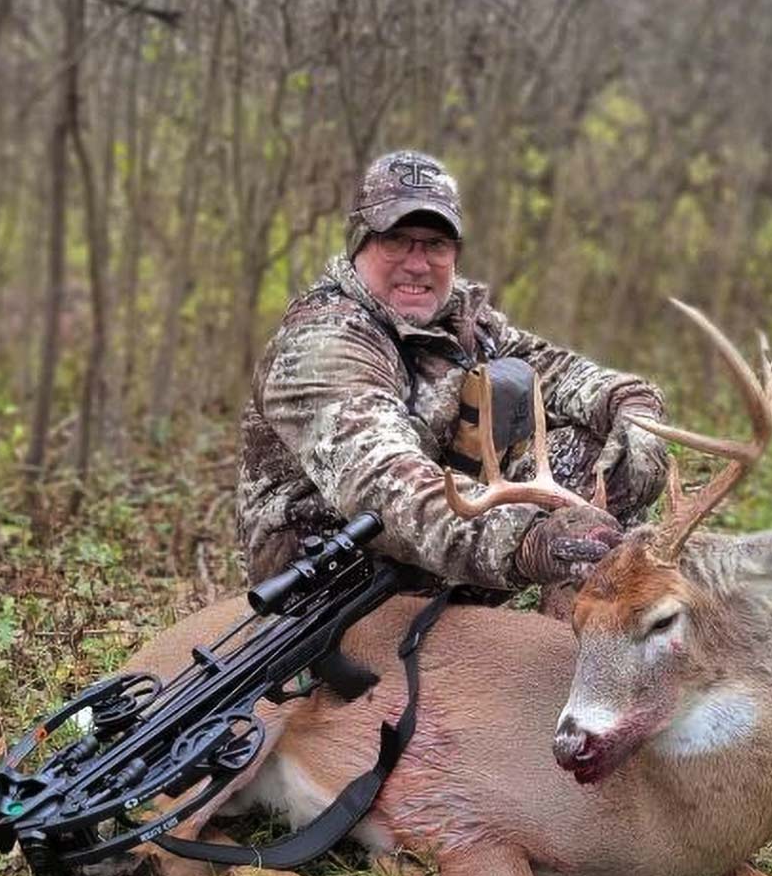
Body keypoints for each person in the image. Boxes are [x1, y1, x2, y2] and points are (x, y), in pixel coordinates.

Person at [236, 150, 669, 594]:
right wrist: (529, 541)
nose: (418, 263)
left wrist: (632, 405)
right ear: (360, 243)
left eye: (436, 245)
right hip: (336, 575)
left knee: (606, 453)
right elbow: (384, 487)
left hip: (439, 549)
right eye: (397, 240)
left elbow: (553, 370)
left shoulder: (459, 320)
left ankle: (597, 619)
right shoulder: (323, 344)